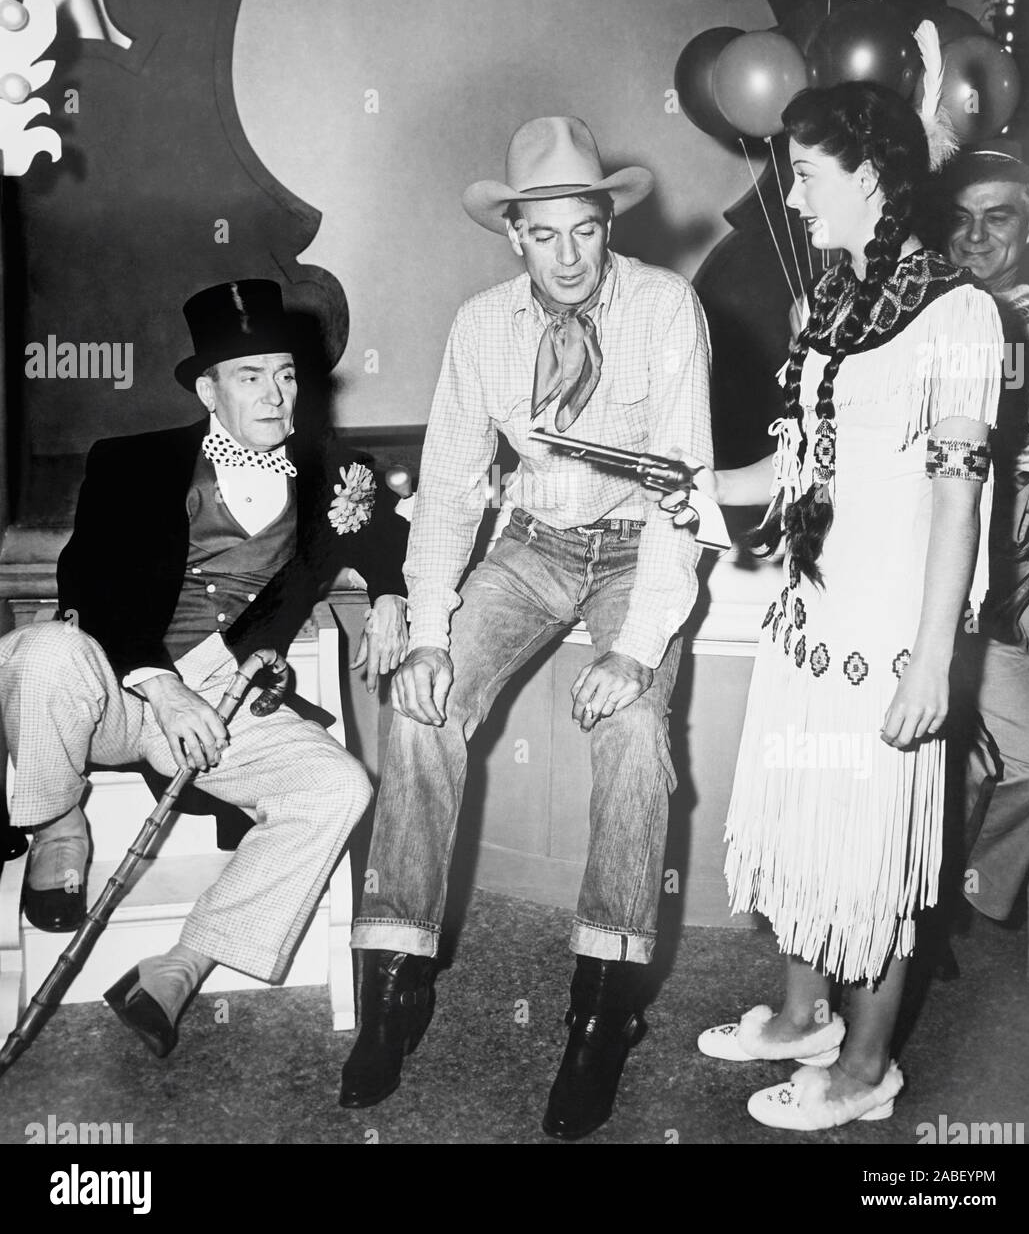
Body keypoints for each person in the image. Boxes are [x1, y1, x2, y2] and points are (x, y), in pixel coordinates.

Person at [339, 115, 713, 1140]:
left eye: (583, 231)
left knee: (634, 733)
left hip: (639, 547)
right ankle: (394, 982)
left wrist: (634, 649)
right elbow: (454, 494)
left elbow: (684, 495)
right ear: (512, 235)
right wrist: (425, 630)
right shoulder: (479, 326)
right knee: (422, 710)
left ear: (605, 222)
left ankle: (600, 1010)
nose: (565, 256)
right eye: (542, 235)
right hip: (534, 544)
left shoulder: (666, 308)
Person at [664, 83, 1003, 1130]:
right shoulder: (832, 300)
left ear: (867, 176)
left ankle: (864, 1069)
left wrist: (927, 662)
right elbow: (797, 458)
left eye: (805, 176)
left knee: (873, 854)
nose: (794, 201)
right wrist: (697, 481)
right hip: (808, 624)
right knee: (805, 825)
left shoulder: (959, 317)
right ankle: (802, 1014)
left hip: (886, 636)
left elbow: (958, 504)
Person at [0, 280, 409, 1056]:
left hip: (231, 700)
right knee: (42, 651)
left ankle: (179, 967)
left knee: (339, 786)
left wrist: (390, 595)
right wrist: (159, 683)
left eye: (286, 375)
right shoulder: (132, 462)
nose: (276, 394)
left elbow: (390, 540)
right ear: (208, 388)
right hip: (125, 689)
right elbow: (87, 585)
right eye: (251, 376)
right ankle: (57, 823)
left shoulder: (330, 473)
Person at [940, 151, 1029, 1008]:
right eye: (963, 218)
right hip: (972, 595)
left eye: (999, 217)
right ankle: (943, 897)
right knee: (1024, 766)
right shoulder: (935, 323)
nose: (977, 236)